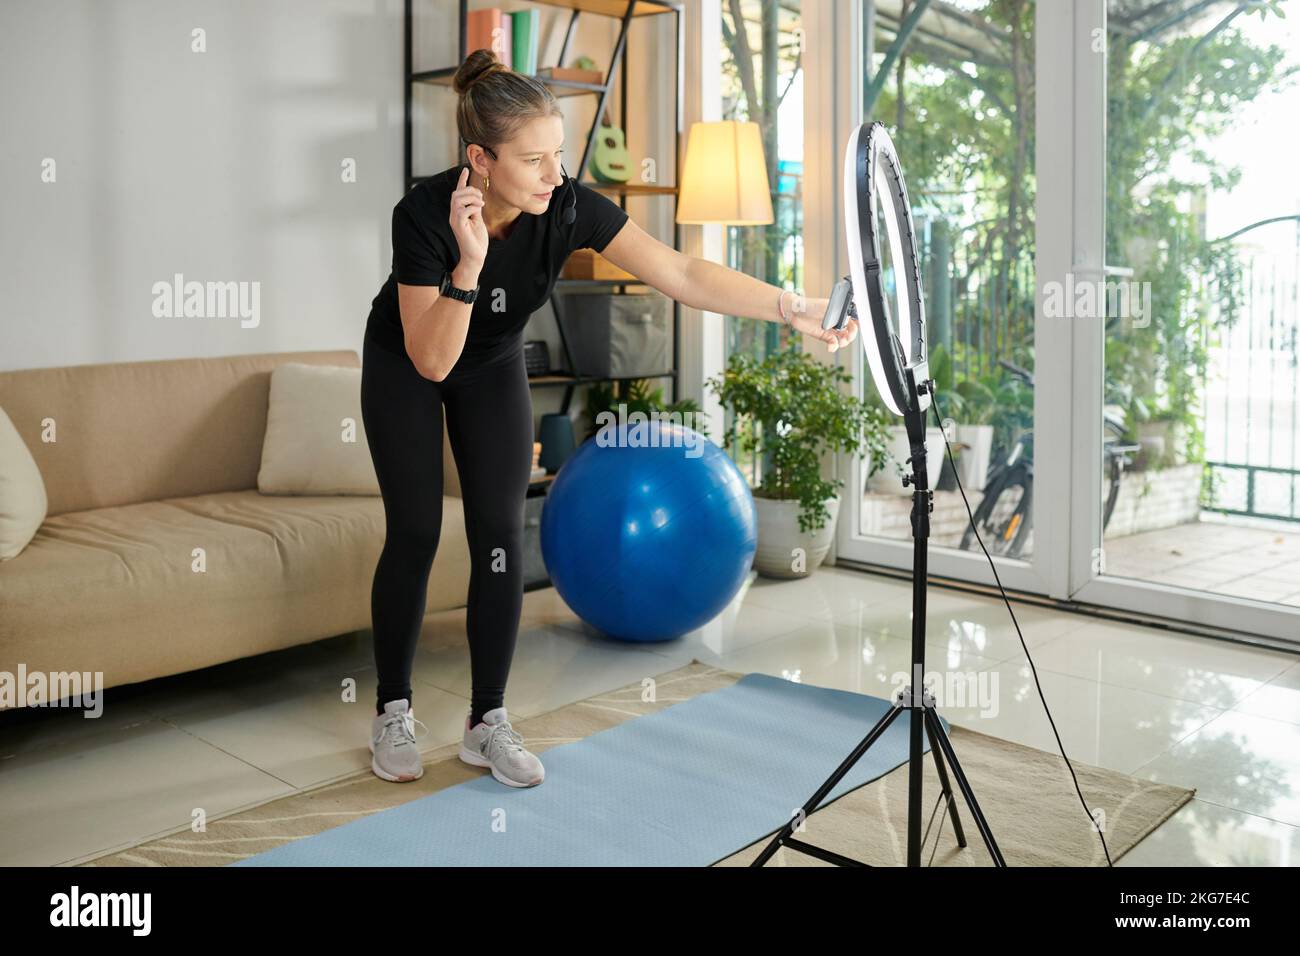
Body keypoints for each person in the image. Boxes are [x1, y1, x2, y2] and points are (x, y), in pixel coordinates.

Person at [361, 49, 858, 788]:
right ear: (480, 159)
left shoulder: (566, 206)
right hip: (412, 357)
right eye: (533, 160)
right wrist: (467, 267)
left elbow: (684, 274)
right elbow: (431, 359)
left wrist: (791, 307)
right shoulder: (424, 215)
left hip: (493, 362)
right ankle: (393, 709)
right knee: (417, 530)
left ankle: (486, 722)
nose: (554, 173)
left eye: (558, 154)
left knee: (499, 533)